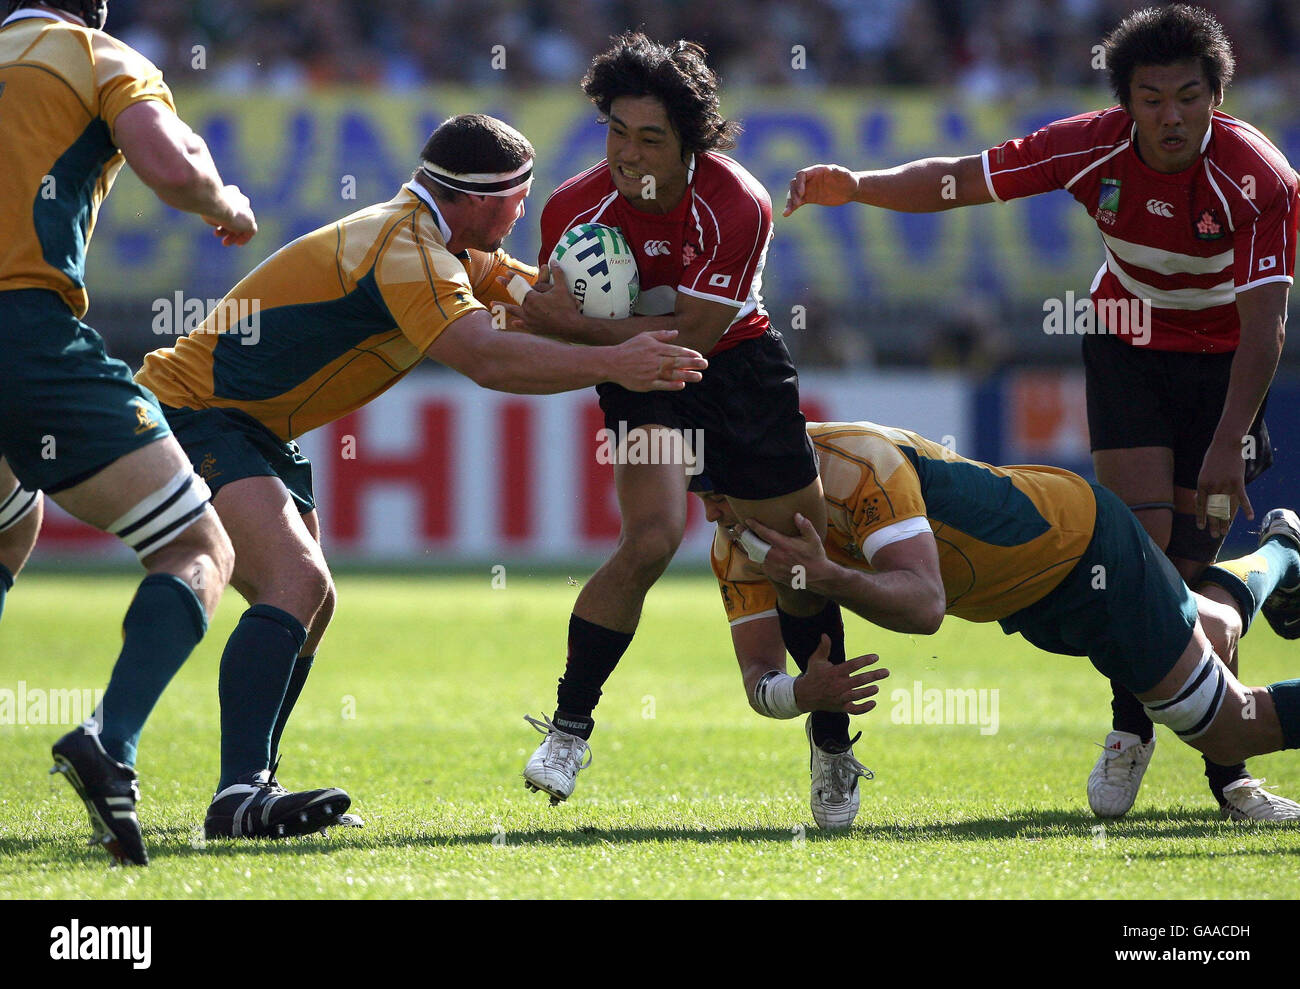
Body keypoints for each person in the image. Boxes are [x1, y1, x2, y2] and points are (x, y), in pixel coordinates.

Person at [783, 4, 1299, 821]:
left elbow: (1267, 325)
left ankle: (1268, 573)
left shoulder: (1259, 177)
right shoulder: (1089, 144)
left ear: (1217, 96)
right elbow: (962, 178)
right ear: (1125, 101)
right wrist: (860, 187)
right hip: (1127, 343)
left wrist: (1231, 438)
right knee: (1145, 558)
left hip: (1225, 367)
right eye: (1152, 97)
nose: (1171, 116)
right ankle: (1176, 747)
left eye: (1189, 97)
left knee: (1189, 582)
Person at [134, 113, 708, 839]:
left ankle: (250, 787)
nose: (524, 211)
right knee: (296, 585)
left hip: (253, 425)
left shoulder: (448, 240)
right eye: (518, 198)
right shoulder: (412, 250)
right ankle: (235, 792)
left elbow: (537, 309)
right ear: (480, 199)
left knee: (309, 602)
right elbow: (488, 357)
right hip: (195, 410)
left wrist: (657, 323)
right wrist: (616, 362)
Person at [506, 32, 853, 816]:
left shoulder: (737, 202)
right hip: (642, 382)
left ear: (689, 140)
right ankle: (568, 728)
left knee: (796, 557)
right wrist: (563, 325)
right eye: (616, 132)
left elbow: (689, 339)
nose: (629, 155)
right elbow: (566, 329)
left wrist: (577, 328)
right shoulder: (571, 208)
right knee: (652, 537)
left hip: (736, 369)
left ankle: (831, 742)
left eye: (651, 138)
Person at [699, 420, 1300, 827]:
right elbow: (757, 675)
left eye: (720, 495)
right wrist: (797, 694)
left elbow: (923, 606)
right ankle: (1283, 553)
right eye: (699, 493)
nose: (710, 512)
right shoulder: (737, 539)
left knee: (1227, 728)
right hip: (1023, 603)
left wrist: (825, 576)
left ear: (764, 476)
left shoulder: (860, 466)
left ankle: (1218, 756)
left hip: (1087, 550)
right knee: (1210, 626)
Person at [0, 0, 257, 865]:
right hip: (22, 332)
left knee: (10, 522)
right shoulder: (92, 53)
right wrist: (225, 200)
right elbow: (166, 160)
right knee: (199, 542)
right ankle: (111, 740)